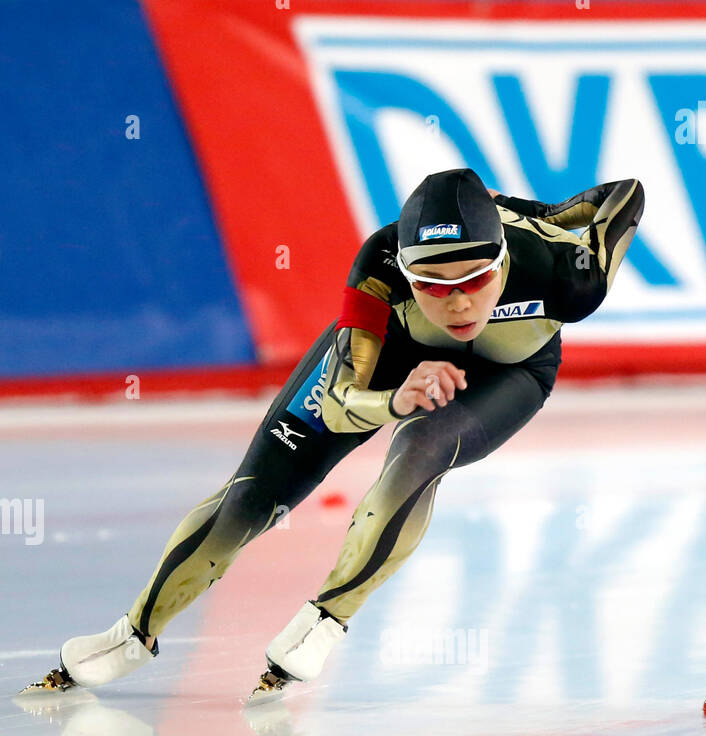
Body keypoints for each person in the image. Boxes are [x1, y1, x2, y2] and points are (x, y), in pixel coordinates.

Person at [20, 167, 644, 703]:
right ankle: (134, 632)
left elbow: (627, 193)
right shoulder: (377, 265)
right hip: (393, 364)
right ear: (404, 270)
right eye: (431, 285)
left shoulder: (569, 273)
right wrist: (396, 398)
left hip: (509, 373)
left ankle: (328, 617)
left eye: (474, 280)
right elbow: (343, 404)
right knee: (252, 497)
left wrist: (533, 213)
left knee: (420, 451)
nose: (457, 304)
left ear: (503, 259)